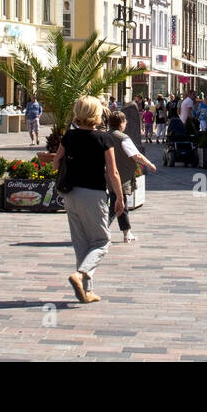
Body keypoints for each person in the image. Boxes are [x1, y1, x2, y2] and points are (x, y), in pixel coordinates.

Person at [53, 96, 124, 303]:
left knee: (81, 242)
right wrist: (120, 197)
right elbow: (113, 173)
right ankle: (81, 273)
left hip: (70, 193)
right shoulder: (104, 139)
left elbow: (56, 163)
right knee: (102, 241)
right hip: (93, 194)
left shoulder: (69, 137)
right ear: (97, 114)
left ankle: (87, 291)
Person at [106, 110, 156, 243]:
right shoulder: (123, 138)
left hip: (107, 176)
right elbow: (136, 155)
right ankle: (108, 231)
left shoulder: (105, 136)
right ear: (121, 123)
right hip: (122, 176)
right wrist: (149, 164)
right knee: (119, 204)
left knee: (117, 203)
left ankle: (126, 232)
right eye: (125, 121)